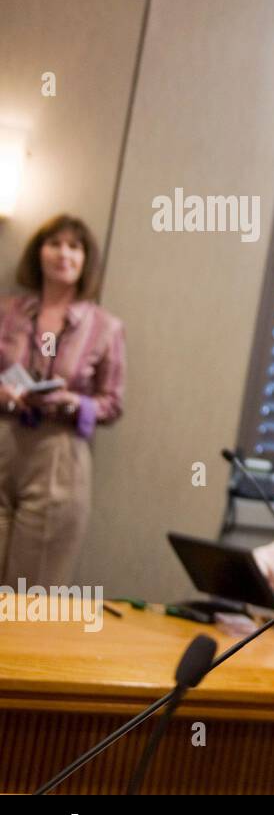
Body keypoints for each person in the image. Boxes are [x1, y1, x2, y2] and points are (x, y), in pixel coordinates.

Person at [0, 214, 125, 586]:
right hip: (5, 440)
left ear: (86, 260)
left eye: (74, 246)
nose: (63, 253)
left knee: (30, 591)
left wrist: (71, 401)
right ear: (38, 252)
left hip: (59, 456)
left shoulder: (105, 326)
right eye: (54, 243)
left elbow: (112, 403)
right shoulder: (7, 312)